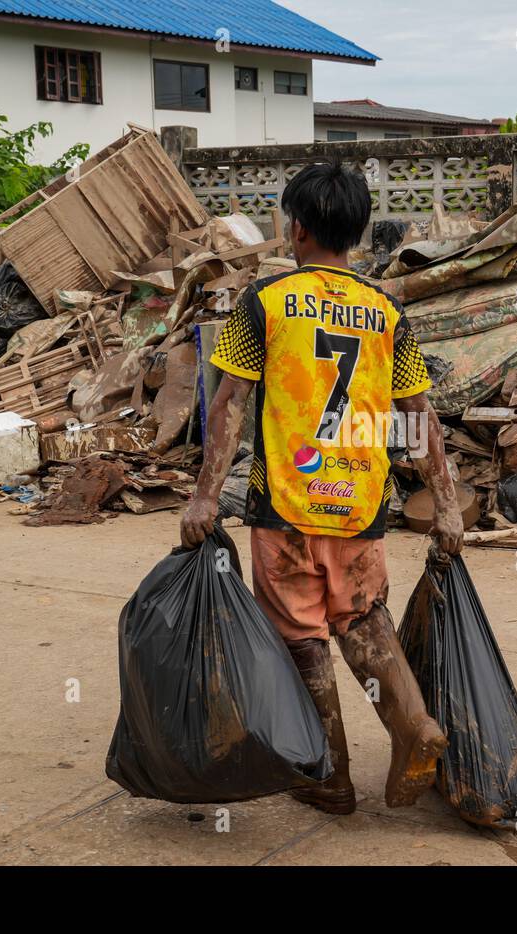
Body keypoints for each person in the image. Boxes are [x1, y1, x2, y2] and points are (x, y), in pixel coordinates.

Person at [180, 162, 463, 815]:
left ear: (296, 227)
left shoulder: (266, 302)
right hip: (362, 502)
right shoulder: (387, 310)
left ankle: (327, 775)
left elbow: (227, 406)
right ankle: (413, 723)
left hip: (286, 503)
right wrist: (446, 505)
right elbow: (420, 416)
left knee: (299, 633)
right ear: (357, 233)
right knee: (363, 618)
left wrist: (203, 496)